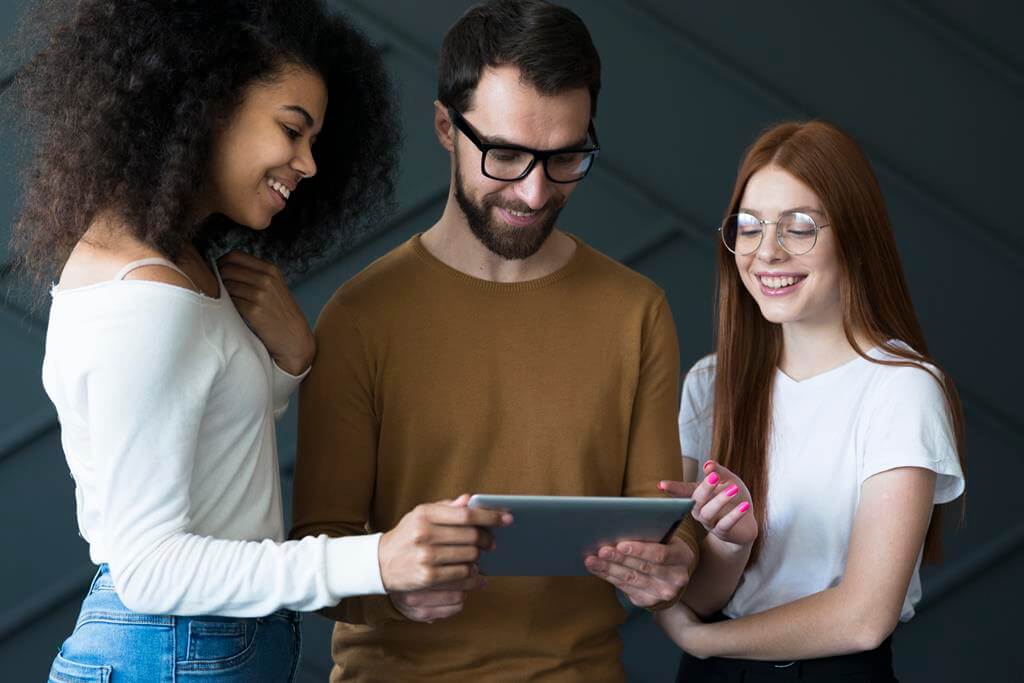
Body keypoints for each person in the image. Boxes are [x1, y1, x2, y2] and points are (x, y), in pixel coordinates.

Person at [8, 1, 508, 680]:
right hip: (175, 647)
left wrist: (290, 364)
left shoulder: (174, 260)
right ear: (208, 102)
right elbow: (151, 566)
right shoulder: (147, 301)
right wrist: (378, 559)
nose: (307, 164)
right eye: (292, 129)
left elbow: (209, 444)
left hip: (199, 642)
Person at [289, 1, 706, 680]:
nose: (536, 191)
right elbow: (317, 548)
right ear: (446, 127)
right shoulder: (361, 315)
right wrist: (391, 580)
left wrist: (675, 558)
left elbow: (661, 521)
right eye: (506, 154)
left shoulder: (637, 311)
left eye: (566, 156)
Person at [656, 121, 967, 683]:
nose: (767, 252)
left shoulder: (902, 388)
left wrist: (702, 640)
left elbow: (864, 619)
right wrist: (728, 547)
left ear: (854, 234)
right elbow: (696, 593)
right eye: (749, 227)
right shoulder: (709, 384)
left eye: (799, 227)